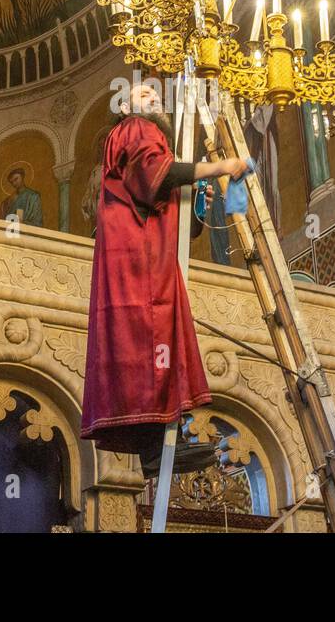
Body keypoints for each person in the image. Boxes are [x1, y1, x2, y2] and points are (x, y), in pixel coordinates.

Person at [80, 81, 248, 477]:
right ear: (123, 108)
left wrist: (194, 194)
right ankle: (158, 448)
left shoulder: (147, 144)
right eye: (142, 95)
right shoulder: (136, 129)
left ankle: (155, 447)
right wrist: (223, 166)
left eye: (156, 95)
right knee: (151, 337)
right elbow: (157, 174)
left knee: (144, 346)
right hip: (141, 262)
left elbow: (174, 214)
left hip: (142, 258)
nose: (154, 98)